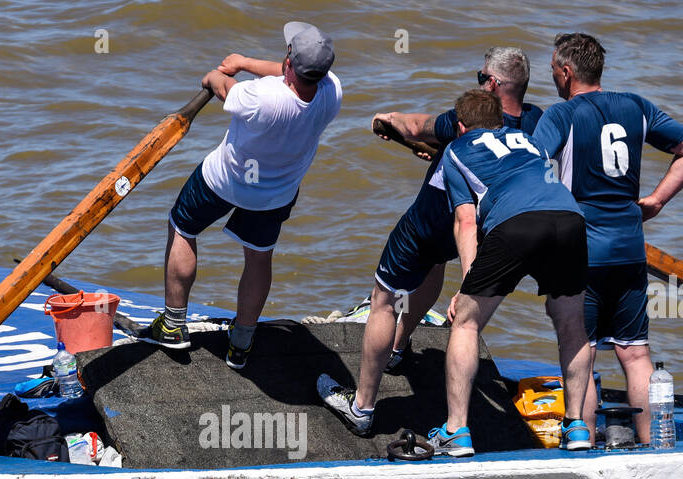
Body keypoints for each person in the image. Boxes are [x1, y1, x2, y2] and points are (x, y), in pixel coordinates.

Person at [324, 90, 593, 455]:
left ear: (460, 126)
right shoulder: (529, 140)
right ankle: (576, 427)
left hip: (510, 226)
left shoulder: (455, 149)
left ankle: (449, 430)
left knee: (463, 322)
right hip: (570, 219)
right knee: (572, 325)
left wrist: (466, 288)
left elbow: (466, 222)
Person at [532, 32, 683, 443]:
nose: (553, 78)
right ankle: (653, 445)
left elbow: (529, 165)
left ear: (566, 70)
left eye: (553, 69)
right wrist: (657, 201)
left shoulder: (561, 116)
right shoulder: (635, 106)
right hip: (630, 247)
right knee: (635, 352)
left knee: (580, 350)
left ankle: (582, 442)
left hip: (584, 253)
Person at [140, 22, 342, 370]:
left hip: (225, 179)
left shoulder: (261, 98)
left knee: (182, 228)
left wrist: (211, 77)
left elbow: (223, 89)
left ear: (290, 62)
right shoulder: (332, 91)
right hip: (277, 193)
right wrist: (245, 61)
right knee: (259, 258)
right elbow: (284, 74)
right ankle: (242, 341)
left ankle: (173, 326)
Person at [364, 47, 544, 377]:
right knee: (435, 266)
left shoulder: (471, 117)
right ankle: (400, 345)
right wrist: (439, 151)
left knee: (384, 298)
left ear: (492, 83)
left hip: (439, 218)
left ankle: (365, 396)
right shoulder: (536, 122)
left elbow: (418, 127)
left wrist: (388, 119)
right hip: (486, 226)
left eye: (480, 78)